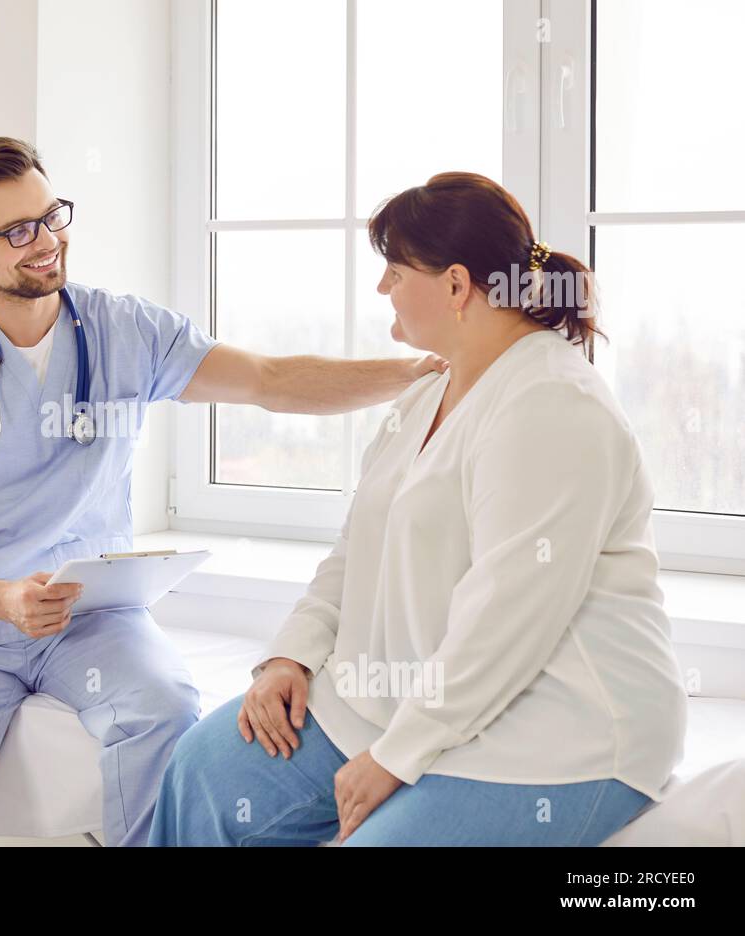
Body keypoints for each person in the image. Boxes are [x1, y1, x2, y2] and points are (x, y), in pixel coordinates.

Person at [0, 136, 445, 846]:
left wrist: (414, 373)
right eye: (18, 232)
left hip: (93, 616)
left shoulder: (126, 331)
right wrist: (0, 600)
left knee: (165, 713)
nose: (47, 241)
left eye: (52, 216)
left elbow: (268, 379)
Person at [149, 171, 687, 847]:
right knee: (203, 770)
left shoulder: (552, 405)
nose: (383, 289)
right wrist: (293, 657)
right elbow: (354, 554)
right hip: (396, 701)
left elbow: (508, 615)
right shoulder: (425, 395)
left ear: (457, 285)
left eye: (396, 272)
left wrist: (400, 756)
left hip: (553, 733)